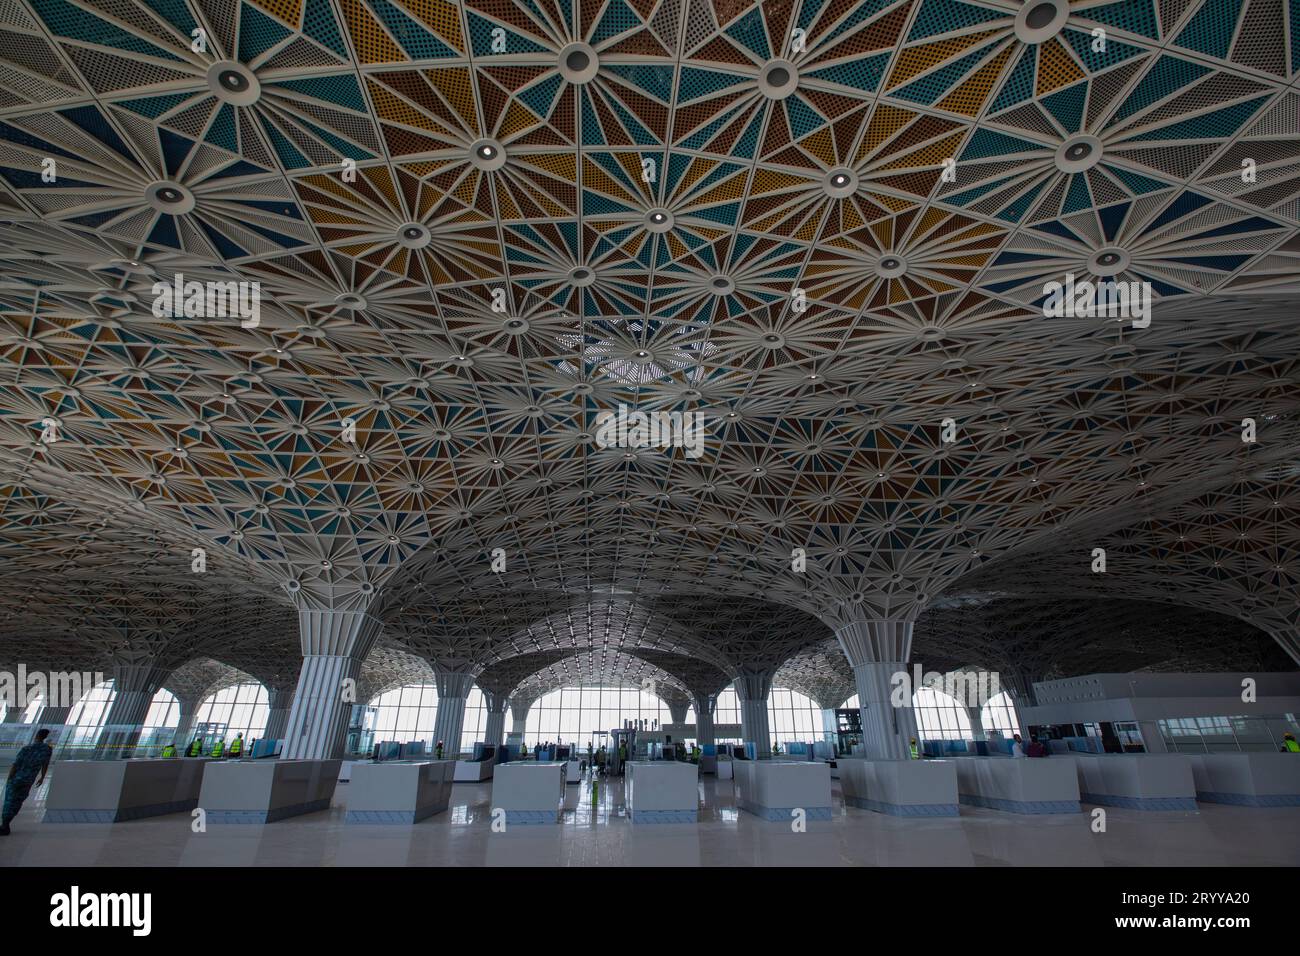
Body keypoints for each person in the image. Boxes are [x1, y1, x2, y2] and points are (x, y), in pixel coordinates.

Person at [2, 728, 54, 835]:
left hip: (16, 778)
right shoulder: (47, 750)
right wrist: (42, 777)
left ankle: (4, 825)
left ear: (36, 735)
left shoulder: (26, 749)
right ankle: (7, 823)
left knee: (9, 800)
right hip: (28, 780)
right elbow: (45, 764)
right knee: (18, 800)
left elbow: (15, 764)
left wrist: (9, 778)